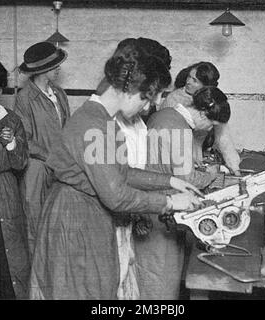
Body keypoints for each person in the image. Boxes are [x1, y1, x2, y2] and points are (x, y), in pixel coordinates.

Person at [30, 38, 202, 300]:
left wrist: (172, 181)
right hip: (74, 219)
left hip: (91, 215)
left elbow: (123, 172)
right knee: (79, 291)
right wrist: (170, 202)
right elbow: (117, 195)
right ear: (128, 90)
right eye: (145, 98)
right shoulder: (91, 124)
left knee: (99, 288)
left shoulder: (106, 121)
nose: (147, 107)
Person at [135, 86, 232, 300]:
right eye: (211, 124)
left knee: (146, 276)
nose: (208, 130)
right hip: (163, 209)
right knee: (161, 282)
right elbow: (186, 178)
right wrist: (211, 174)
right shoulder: (180, 128)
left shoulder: (163, 114)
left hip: (150, 202)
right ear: (203, 114)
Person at [95, 37, 172, 300]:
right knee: (114, 282)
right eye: (152, 91)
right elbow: (117, 183)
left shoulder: (135, 114)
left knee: (126, 276)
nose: (156, 102)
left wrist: (169, 184)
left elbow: (130, 169)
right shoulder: (108, 117)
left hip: (127, 211)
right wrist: (164, 201)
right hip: (110, 216)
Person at [14, 42, 70, 257]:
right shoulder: (24, 98)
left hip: (58, 167)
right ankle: (35, 285)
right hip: (36, 169)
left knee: (57, 226)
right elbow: (24, 138)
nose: (59, 69)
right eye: (55, 65)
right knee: (35, 226)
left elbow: (69, 129)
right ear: (42, 70)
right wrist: (51, 157)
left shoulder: (60, 94)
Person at [0, 59, 30, 299]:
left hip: (8, 199)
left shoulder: (11, 120)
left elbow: (21, 165)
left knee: (9, 260)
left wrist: (11, 143)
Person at [160, 61, 241, 175]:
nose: (188, 82)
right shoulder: (174, 99)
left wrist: (235, 167)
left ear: (205, 86)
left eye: (195, 80)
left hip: (197, 149)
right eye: (189, 77)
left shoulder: (210, 99)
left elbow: (223, 137)